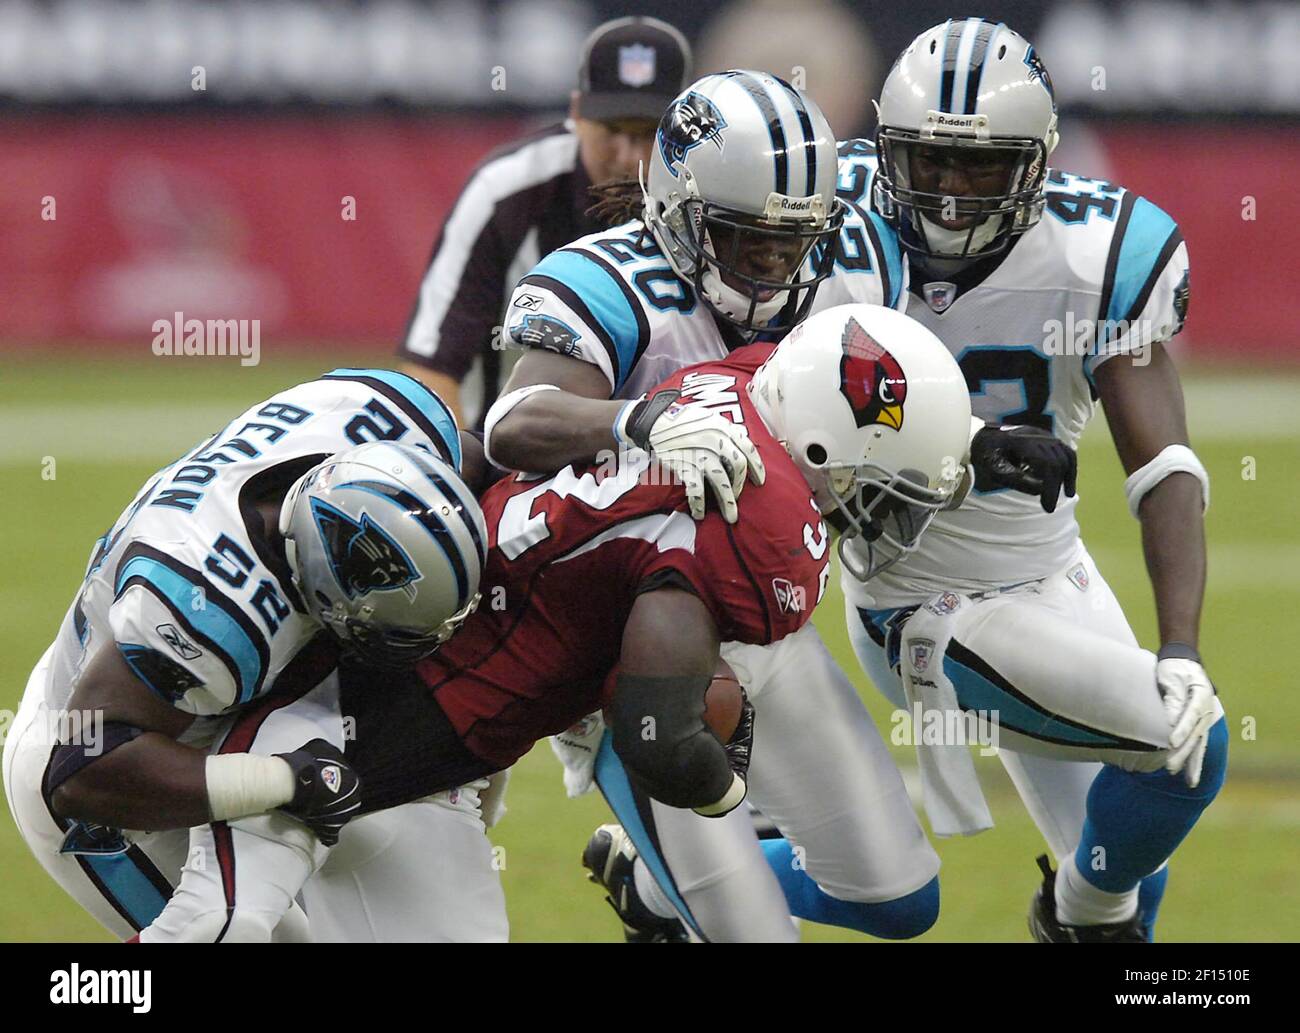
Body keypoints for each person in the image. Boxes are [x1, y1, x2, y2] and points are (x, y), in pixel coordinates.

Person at [134, 301, 980, 942]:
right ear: (827, 447)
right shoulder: (757, 521)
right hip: (384, 713)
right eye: (880, 491)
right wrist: (724, 780)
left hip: (442, 676)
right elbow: (650, 727)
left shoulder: (736, 389)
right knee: (219, 923)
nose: (874, 518)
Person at [485, 69, 1073, 942]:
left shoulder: (855, 260)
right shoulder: (605, 283)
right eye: (747, 240)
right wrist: (636, 417)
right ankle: (682, 882)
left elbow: (865, 401)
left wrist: (979, 440)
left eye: (793, 240)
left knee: (900, 901)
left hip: (764, 612)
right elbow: (512, 425)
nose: (775, 265)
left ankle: (650, 889)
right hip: (626, 643)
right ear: (680, 212)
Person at [831, 19, 1223, 942]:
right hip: (919, 600)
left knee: (1134, 853)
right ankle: (1075, 917)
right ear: (887, 149)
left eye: (981, 168)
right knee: (1185, 760)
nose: (952, 195)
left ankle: (661, 889)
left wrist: (1182, 645)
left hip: (1049, 572)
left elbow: (1163, 466)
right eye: (929, 163)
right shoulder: (833, 226)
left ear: (1039, 166)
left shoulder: (1100, 253)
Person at [1, 370, 488, 941]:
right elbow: (83, 767)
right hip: (106, 785)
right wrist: (282, 780)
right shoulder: (212, 609)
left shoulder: (384, 417)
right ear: (326, 589)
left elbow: (469, 457)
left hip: (190, 713)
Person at [398, 16, 692, 428]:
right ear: (577, 112)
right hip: (509, 457)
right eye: (612, 129)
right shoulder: (504, 192)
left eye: (649, 132)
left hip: (668, 448)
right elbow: (432, 367)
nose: (629, 156)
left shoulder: (710, 201)